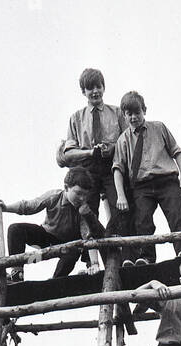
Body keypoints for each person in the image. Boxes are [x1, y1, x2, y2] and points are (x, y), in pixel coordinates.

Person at [112, 91, 181, 265]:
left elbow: (177, 152)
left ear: (144, 111)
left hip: (166, 181)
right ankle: (146, 257)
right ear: (124, 115)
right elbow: (118, 169)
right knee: (142, 221)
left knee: (177, 215)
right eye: (129, 114)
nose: (134, 117)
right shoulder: (123, 140)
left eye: (137, 112)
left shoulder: (159, 128)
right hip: (142, 186)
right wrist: (121, 195)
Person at [0, 169, 104, 282]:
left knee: (74, 251)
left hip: (68, 243)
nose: (82, 198)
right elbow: (29, 206)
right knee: (15, 229)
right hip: (46, 236)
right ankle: (17, 273)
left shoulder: (83, 210)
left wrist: (94, 264)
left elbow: (88, 237)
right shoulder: (54, 197)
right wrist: (6, 208)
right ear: (66, 187)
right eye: (78, 193)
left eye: (85, 195)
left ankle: (55, 281)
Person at [58, 66, 127, 228]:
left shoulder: (117, 113)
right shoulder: (76, 118)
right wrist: (90, 152)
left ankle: (115, 241)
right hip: (87, 169)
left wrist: (112, 148)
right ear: (83, 91)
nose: (95, 91)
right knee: (87, 212)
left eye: (98, 87)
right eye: (90, 88)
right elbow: (68, 152)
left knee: (120, 209)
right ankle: (91, 243)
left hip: (112, 167)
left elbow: (127, 140)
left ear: (104, 87)